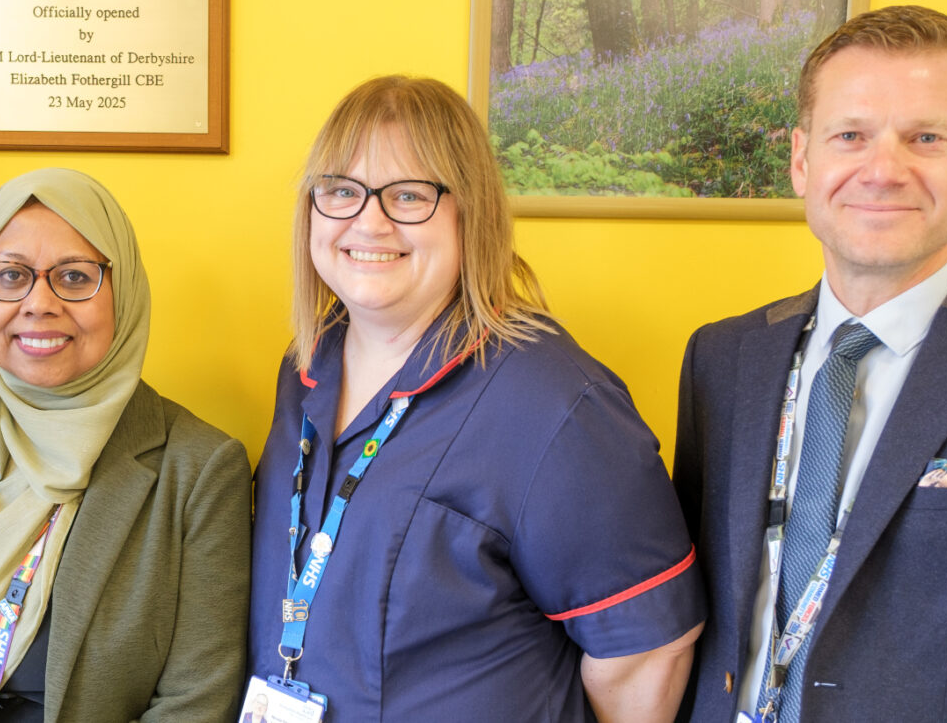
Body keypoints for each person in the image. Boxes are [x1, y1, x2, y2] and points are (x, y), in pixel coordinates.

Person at [247, 75, 705, 722]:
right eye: (342, 192)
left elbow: (647, 651)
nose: (368, 221)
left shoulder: (555, 401)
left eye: (408, 195)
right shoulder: (306, 366)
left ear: (472, 210)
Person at [673, 5, 947, 722]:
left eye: (925, 138)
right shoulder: (722, 359)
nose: (883, 169)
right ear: (801, 160)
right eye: (851, 135)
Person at [0, 168, 251, 723]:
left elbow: (196, 700)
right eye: (11, 276)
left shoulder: (200, 470)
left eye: (75, 277)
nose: (38, 303)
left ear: (124, 290)